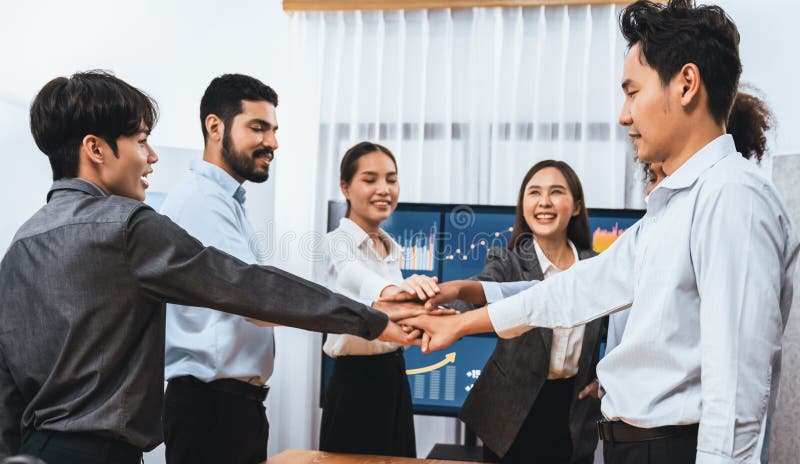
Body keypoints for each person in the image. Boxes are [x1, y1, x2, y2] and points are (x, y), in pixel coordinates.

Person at [399, 2, 799, 463]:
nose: (623, 116)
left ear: (686, 84)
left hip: (672, 450)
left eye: (632, 92)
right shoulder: (673, 208)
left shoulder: (733, 199)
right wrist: (460, 324)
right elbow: (570, 292)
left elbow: (735, 400)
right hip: (632, 447)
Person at [0, 71, 425, 463]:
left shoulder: (22, 241)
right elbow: (248, 288)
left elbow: (8, 385)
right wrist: (369, 318)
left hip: (36, 452)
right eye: (140, 141)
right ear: (95, 148)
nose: (152, 157)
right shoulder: (129, 226)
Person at [160, 74, 281, 464]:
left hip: (229, 409)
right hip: (212, 412)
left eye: (274, 129)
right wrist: (365, 313)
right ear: (215, 127)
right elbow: (258, 301)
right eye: (258, 127)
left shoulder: (228, 202)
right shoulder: (201, 202)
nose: (273, 143)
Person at [455, 160, 601, 464]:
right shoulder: (508, 261)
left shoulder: (596, 268)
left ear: (576, 206)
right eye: (534, 193)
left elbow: (626, 328)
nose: (544, 202)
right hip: (509, 416)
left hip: (571, 414)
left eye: (556, 192)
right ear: (523, 206)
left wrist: (607, 377)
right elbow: (482, 288)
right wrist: (443, 307)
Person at [319, 141, 442, 457]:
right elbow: (351, 276)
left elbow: (397, 316)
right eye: (370, 179)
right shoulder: (335, 243)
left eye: (391, 179)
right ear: (345, 187)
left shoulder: (390, 248)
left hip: (393, 378)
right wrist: (396, 294)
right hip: (354, 384)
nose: (384, 189)